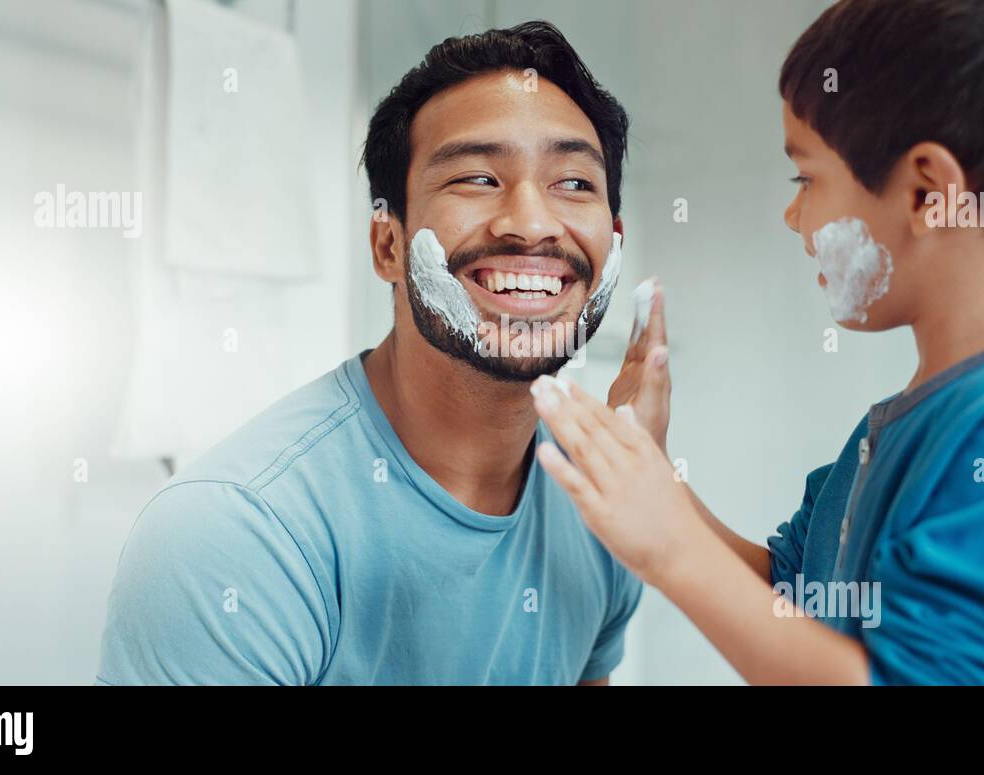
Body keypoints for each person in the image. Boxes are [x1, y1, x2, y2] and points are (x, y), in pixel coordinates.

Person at [532, 0, 984, 685]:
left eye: (806, 178)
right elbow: (795, 601)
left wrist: (672, 548)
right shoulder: (903, 426)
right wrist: (653, 479)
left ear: (930, 193)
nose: (792, 215)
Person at [97, 21, 644, 685]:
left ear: (612, 241)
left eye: (574, 183)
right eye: (477, 177)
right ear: (388, 245)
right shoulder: (234, 532)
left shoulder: (606, 503)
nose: (530, 222)